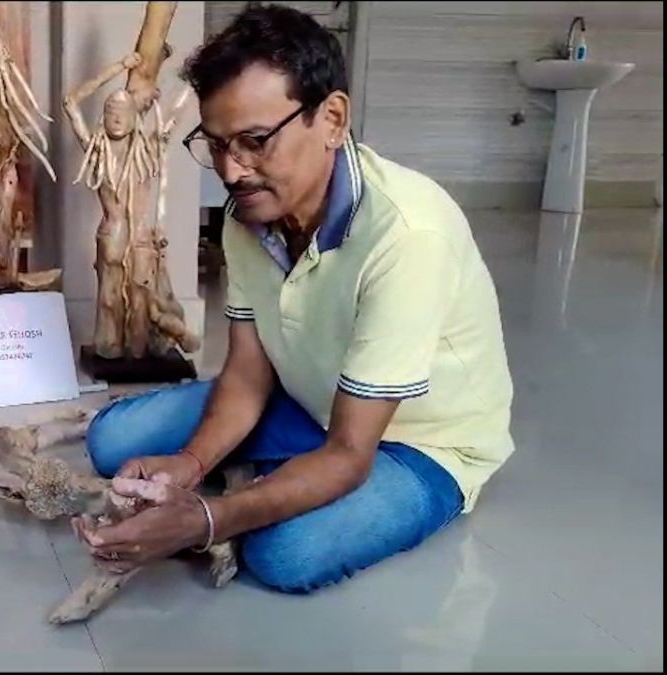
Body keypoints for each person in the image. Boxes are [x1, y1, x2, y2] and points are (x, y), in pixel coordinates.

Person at [75, 3, 515, 594]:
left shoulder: (408, 234)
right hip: (314, 401)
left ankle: (280, 479)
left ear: (332, 119)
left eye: (255, 141)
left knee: (286, 554)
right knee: (113, 443)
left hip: (419, 442)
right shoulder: (249, 219)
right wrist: (192, 466)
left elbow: (351, 452)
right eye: (216, 144)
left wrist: (207, 519)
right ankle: (274, 472)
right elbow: (247, 376)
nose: (232, 171)